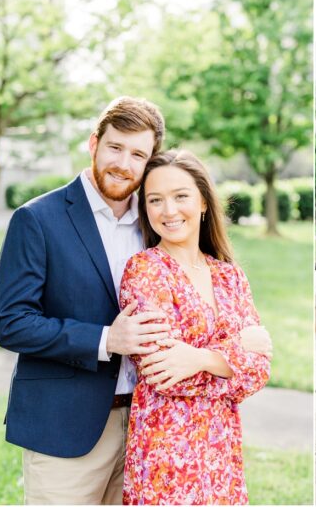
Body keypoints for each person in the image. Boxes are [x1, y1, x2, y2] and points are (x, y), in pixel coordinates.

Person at [0, 97, 270, 504]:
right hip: (68, 423)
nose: (123, 163)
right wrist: (106, 339)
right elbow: (11, 322)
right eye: (115, 148)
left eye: (138, 154)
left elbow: (247, 357)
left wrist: (219, 355)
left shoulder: (156, 222)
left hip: (148, 426)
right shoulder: (38, 219)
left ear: (149, 161)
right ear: (94, 144)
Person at [119, 150, 271, 505]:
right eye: (155, 200)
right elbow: (161, 370)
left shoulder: (230, 275)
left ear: (203, 201)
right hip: (166, 453)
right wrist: (232, 356)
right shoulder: (145, 270)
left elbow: (259, 371)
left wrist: (198, 357)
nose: (169, 211)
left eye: (180, 196)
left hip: (221, 451)